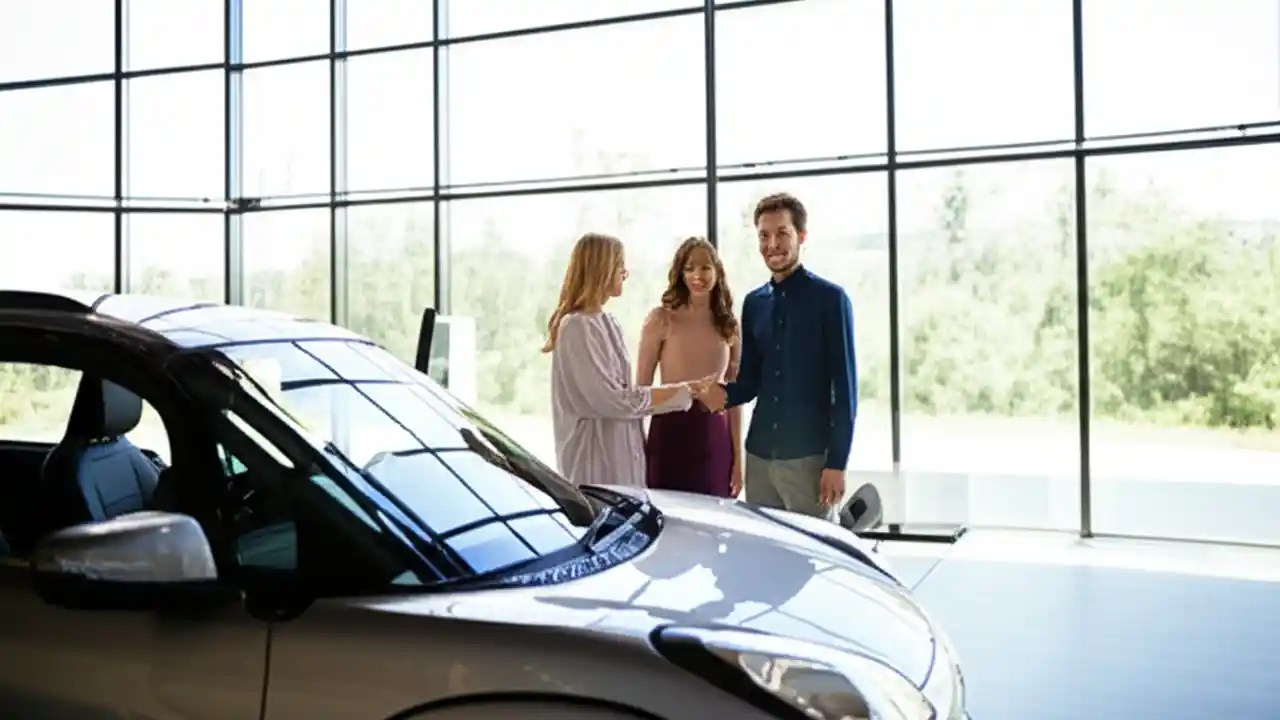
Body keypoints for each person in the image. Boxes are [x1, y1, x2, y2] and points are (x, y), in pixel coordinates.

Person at [696, 192, 857, 519]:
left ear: (801, 236)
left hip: (809, 459)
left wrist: (837, 463)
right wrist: (722, 394)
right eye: (764, 236)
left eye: (782, 233)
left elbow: (845, 392)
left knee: (815, 548)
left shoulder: (831, 300)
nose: (772, 244)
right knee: (764, 548)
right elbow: (751, 381)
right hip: (759, 459)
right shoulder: (754, 303)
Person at [543, 232, 706, 488]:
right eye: (620, 266)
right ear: (602, 269)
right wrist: (682, 392)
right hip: (594, 468)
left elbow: (625, 395)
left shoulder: (609, 322)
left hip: (624, 462)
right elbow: (610, 401)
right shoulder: (575, 326)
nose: (624, 273)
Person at [636, 236, 742, 499]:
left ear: (717, 271)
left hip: (714, 437)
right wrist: (636, 450)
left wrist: (738, 459)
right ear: (680, 273)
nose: (698, 275)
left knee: (714, 515)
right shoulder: (661, 319)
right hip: (669, 434)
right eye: (689, 268)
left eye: (705, 267)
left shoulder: (729, 325)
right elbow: (639, 392)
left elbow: (735, 398)